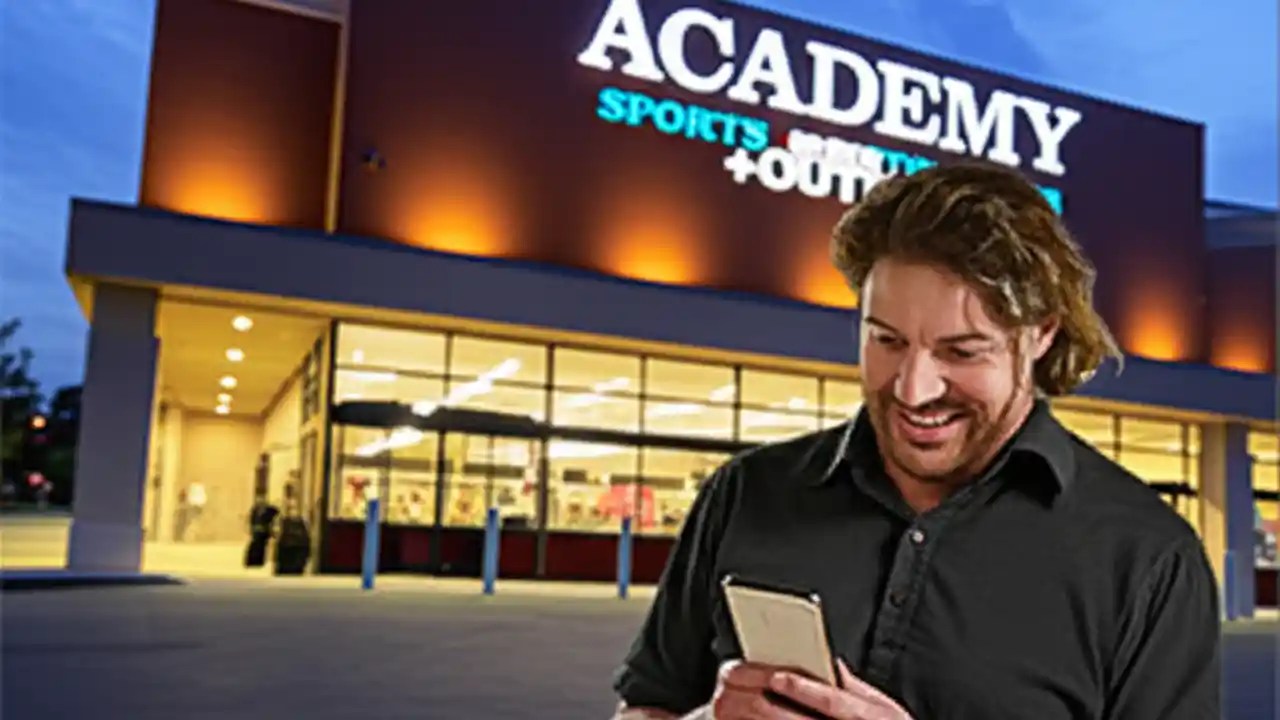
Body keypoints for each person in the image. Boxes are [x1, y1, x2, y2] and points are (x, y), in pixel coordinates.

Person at [609, 161, 1220, 719]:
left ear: (1041, 335)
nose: (913, 389)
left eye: (961, 351)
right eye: (887, 340)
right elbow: (646, 706)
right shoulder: (747, 493)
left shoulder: (1146, 558)